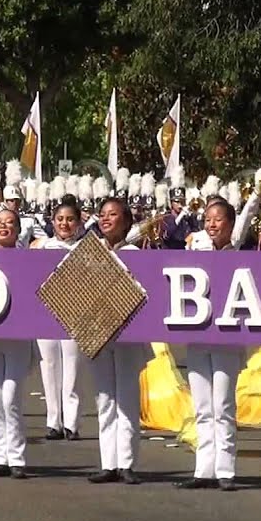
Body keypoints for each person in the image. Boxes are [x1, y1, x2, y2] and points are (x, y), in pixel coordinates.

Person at [175, 157, 261, 491]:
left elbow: (249, 214)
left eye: (218, 220)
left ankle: (225, 470)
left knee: (223, 404)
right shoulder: (194, 244)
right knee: (202, 405)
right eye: (208, 219)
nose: (212, 225)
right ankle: (203, 470)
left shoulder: (233, 245)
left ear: (229, 223)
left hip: (226, 336)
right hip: (197, 334)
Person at [88, 197, 150, 485]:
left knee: (126, 398)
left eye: (112, 214)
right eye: (102, 214)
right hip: (97, 332)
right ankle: (108, 463)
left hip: (128, 333)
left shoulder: (136, 253)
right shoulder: (90, 251)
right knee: (105, 399)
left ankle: (126, 463)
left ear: (125, 222)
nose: (106, 219)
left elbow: (145, 291)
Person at [0, 207, 36, 479]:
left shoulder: (29, 259)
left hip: (18, 337)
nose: (3, 227)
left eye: (9, 223)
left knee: (11, 397)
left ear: (18, 229)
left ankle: (17, 459)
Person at [35, 201, 85, 441]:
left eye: (70, 219)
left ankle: (71, 423)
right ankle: (53, 421)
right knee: (49, 366)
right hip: (46, 313)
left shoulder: (86, 248)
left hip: (75, 313)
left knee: (72, 368)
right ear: (52, 222)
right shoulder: (42, 247)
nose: (65, 224)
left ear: (79, 223)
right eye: (60, 219)